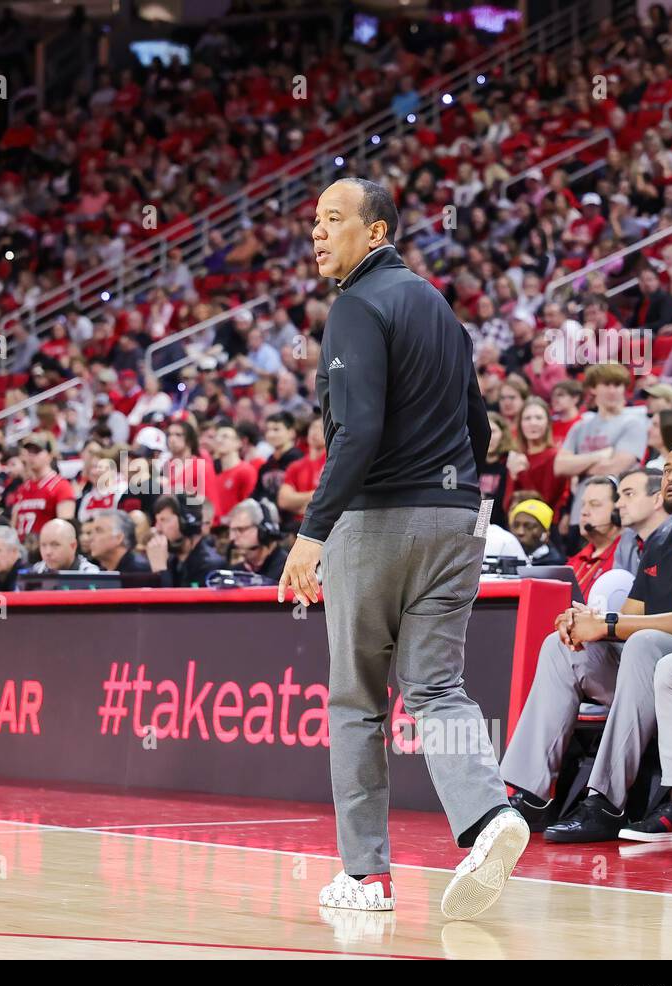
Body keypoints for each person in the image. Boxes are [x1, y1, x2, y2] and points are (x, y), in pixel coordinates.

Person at [281, 177, 528, 922]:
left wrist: (311, 531)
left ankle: (367, 876)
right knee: (436, 687)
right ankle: (489, 815)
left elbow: (356, 432)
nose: (318, 233)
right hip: (458, 520)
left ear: (376, 232)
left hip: (378, 520)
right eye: (315, 221)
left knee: (357, 699)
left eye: (333, 219)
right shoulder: (440, 309)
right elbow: (480, 429)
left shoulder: (356, 305)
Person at [501, 443, 672, 834]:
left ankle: (606, 801)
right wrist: (588, 621)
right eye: (667, 469)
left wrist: (609, 625)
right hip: (643, 675)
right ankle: (532, 795)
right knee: (562, 646)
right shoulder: (660, 540)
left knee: (643, 643)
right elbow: (631, 613)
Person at [554, 363, 647, 541]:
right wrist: (599, 456)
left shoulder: (633, 423)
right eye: (606, 384)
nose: (612, 391)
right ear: (593, 388)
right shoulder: (581, 425)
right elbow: (560, 466)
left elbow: (614, 467)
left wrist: (578, 468)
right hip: (579, 514)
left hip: (615, 517)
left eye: (617, 385)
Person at [146, 494, 225, 587]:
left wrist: (162, 570)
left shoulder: (211, 566)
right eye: (157, 521)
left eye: (164, 520)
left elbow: (177, 596)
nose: (157, 528)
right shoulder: (171, 560)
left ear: (186, 524)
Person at [11, 431, 76, 538]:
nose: (31, 455)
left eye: (36, 451)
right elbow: (14, 525)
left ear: (49, 455)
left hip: (45, 546)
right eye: (29, 451)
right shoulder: (22, 488)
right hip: (22, 545)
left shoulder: (61, 486)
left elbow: (65, 528)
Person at [226, 499, 288, 582]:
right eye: (232, 531)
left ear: (263, 531)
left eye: (240, 530)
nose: (232, 538)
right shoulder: (234, 573)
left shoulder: (288, 570)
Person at [21, 519, 99, 574]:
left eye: (55, 545)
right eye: (43, 545)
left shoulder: (90, 575)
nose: (48, 552)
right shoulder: (34, 572)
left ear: (73, 546)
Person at [507, 499, 565, 566]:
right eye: (516, 525)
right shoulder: (505, 555)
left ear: (546, 532)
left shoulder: (555, 564)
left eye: (529, 526)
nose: (520, 532)